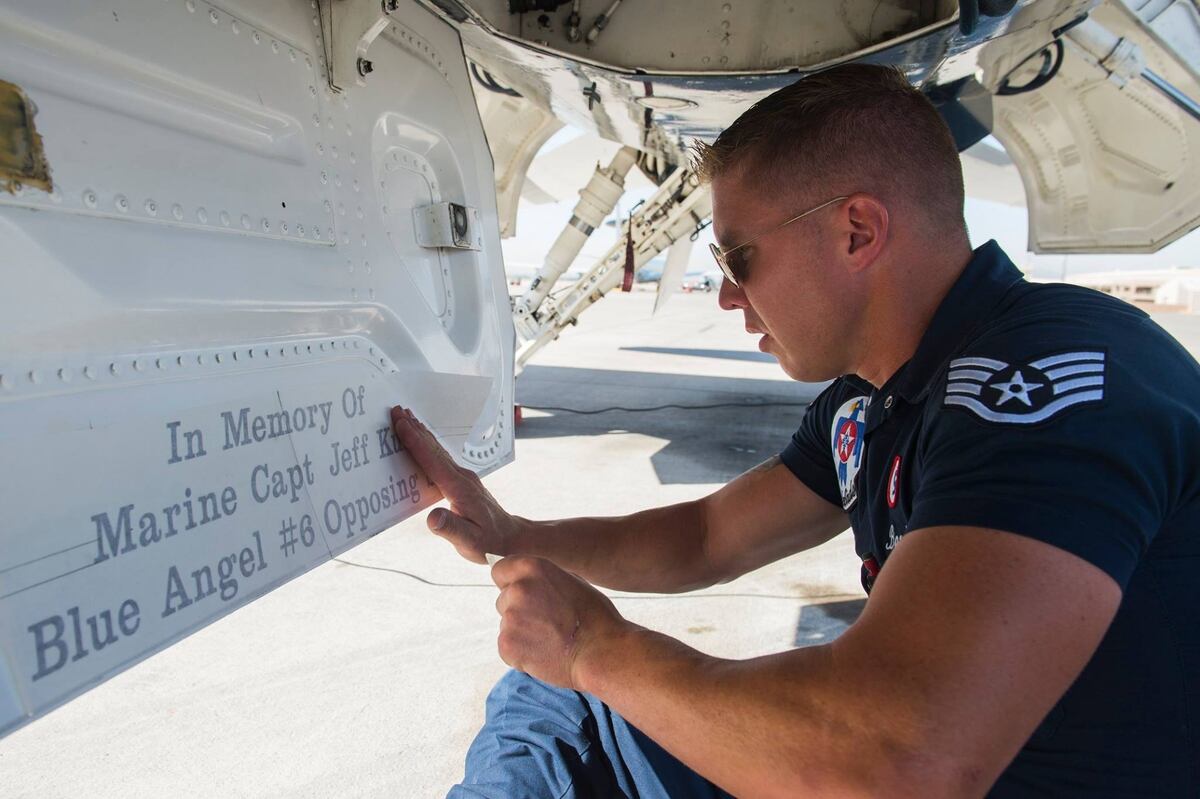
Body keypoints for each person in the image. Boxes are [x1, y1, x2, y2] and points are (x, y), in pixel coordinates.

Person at [391, 64, 1200, 797]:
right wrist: (515, 532)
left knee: (581, 685)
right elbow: (708, 536)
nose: (726, 296)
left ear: (858, 231)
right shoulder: (871, 397)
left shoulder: (1053, 379)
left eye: (740, 258)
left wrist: (590, 645)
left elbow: (903, 758)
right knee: (550, 700)